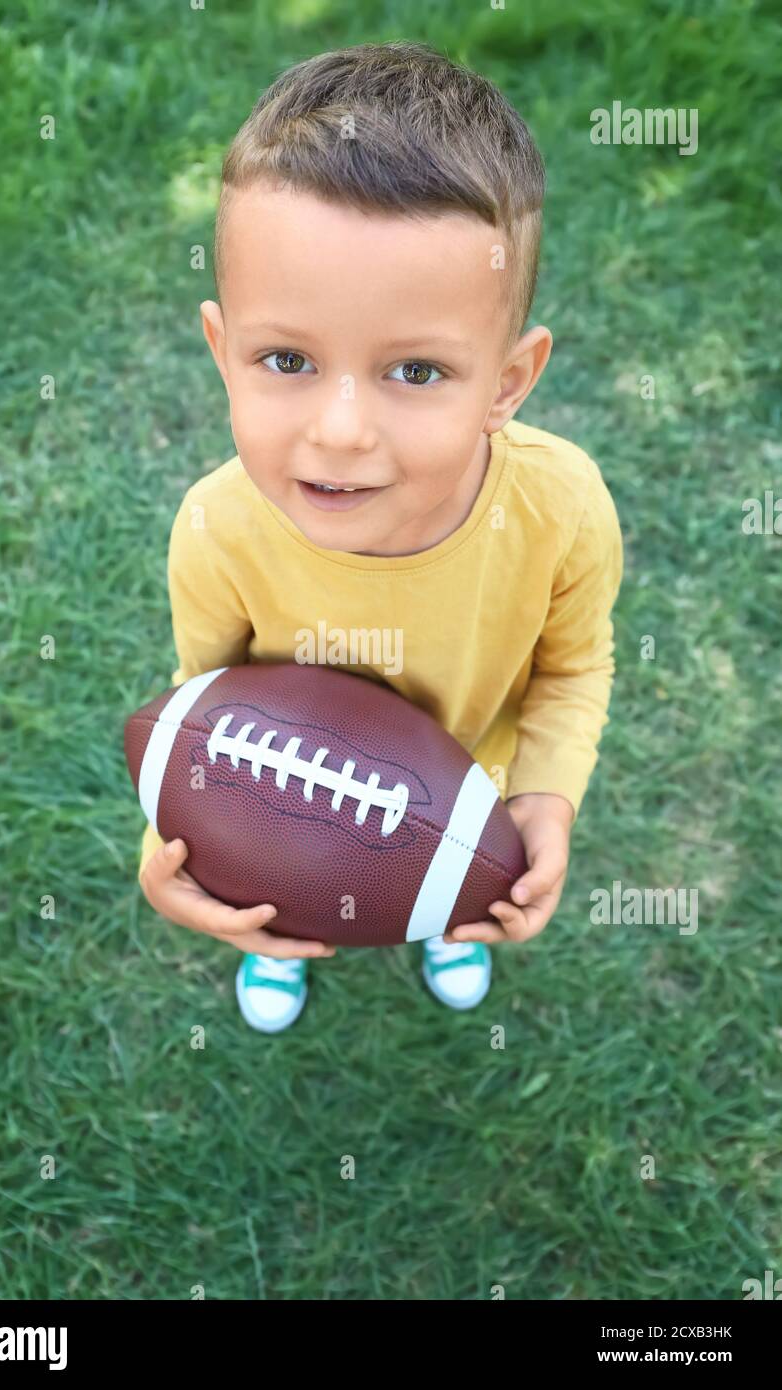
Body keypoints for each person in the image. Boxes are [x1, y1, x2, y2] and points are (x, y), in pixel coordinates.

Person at [136, 41, 623, 1032]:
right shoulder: (218, 530)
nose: (341, 429)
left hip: (468, 786)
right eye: (286, 358)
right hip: (293, 803)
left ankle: (446, 896)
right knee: (286, 879)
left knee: (452, 859)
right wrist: (181, 839)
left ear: (506, 382)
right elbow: (207, 721)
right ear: (222, 354)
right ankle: (284, 915)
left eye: (413, 372)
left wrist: (542, 800)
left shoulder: (558, 506)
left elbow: (572, 670)